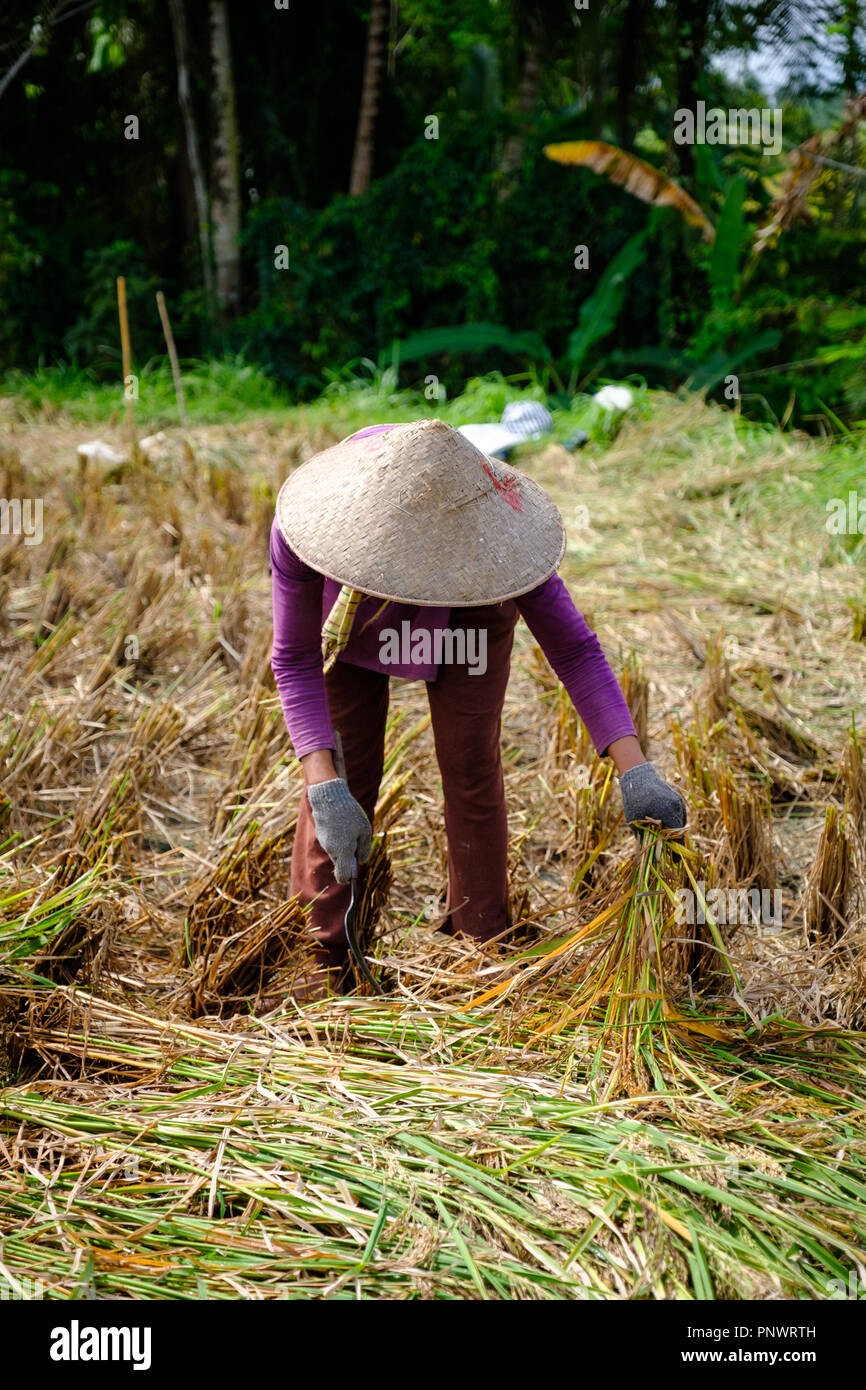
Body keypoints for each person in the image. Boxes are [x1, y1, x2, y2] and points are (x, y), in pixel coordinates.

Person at [270, 418, 686, 999]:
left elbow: (575, 649)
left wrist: (635, 768)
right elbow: (293, 658)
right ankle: (323, 957)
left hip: (469, 616)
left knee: (470, 768)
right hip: (354, 614)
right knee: (344, 778)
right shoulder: (318, 527)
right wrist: (322, 786)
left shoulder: (500, 544)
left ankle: (480, 948)